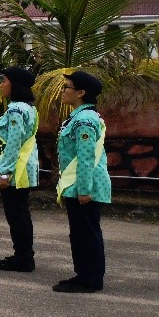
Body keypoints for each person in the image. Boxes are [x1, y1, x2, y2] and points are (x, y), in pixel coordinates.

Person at [53, 69, 111, 293]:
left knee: (86, 232)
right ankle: (83, 275)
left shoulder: (85, 120)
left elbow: (86, 158)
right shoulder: (79, 116)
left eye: (67, 87)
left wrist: (84, 190)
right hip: (78, 184)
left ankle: (90, 279)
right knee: (80, 232)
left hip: (84, 186)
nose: (63, 91)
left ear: (81, 92)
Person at [0, 67, 40, 273]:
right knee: (20, 213)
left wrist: (5, 173)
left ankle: (23, 258)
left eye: (4, 80)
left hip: (16, 171)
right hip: (23, 167)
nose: (1, 84)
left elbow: (13, 143)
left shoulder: (16, 110)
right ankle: (23, 255)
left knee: (17, 214)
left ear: (15, 84)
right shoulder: (27, 108)